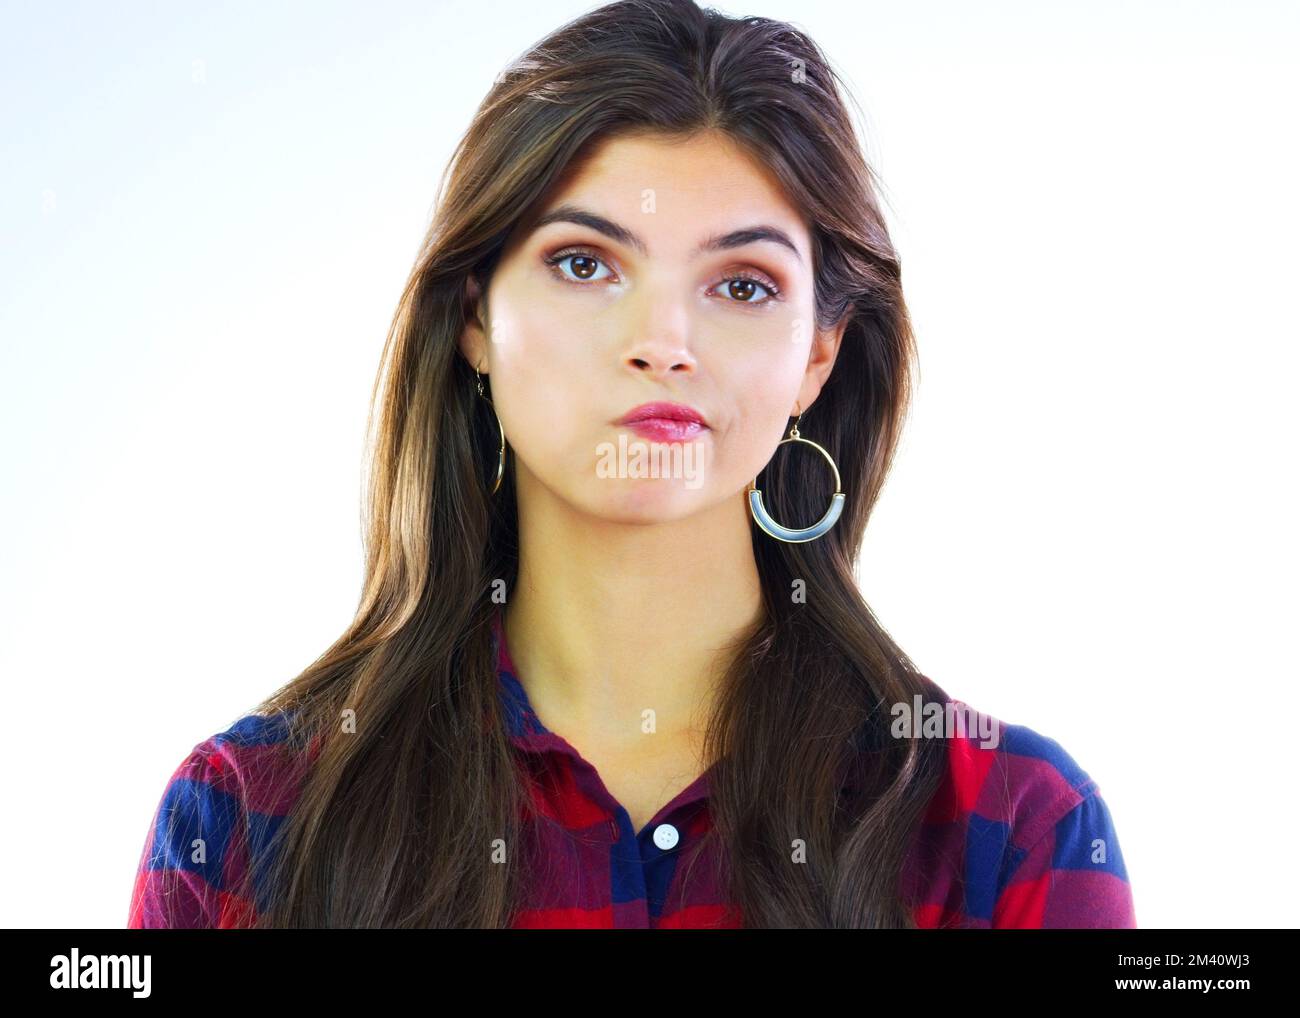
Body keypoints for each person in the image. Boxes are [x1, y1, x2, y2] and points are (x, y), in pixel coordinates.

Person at [128, 0, 1135, 929]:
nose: (662, 339)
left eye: (741, 284)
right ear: (474, 313)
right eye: (584, 263)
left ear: (816, 358)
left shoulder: (1012, 829)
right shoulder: (247, 819)